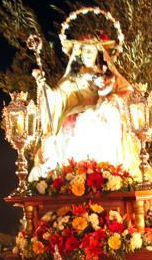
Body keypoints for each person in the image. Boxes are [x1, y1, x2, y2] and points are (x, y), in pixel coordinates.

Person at [31, 31, 141, 180]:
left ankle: (108, 175)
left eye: (92, 50)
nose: (88, 53)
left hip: (103, 118)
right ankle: (75, 175)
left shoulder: (109, 77)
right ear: (79, 54)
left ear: (98, 53)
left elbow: (127, 93)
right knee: (71, 126)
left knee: (107, 120)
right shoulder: (72, 79)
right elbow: (57, 97)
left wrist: (112, 99)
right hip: (76, 121)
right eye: (85, 50)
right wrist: (43, 85)